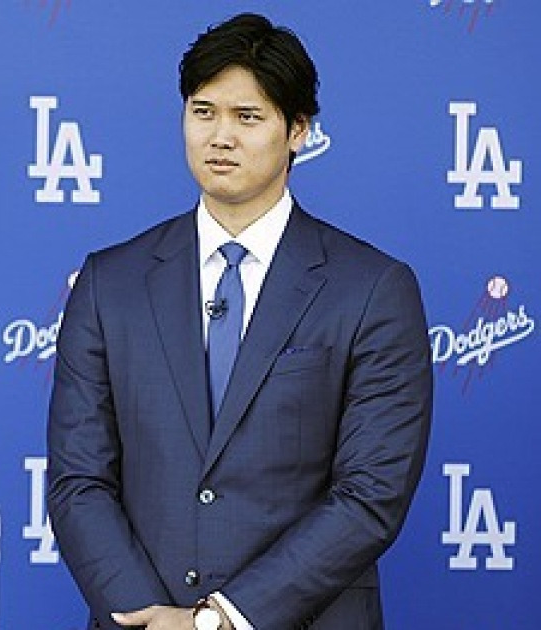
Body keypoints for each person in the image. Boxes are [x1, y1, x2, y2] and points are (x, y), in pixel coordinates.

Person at [46, 13, 433, 630]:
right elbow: (79, 480)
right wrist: (148, 617)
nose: (220, 136)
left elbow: (369, 495)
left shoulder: (372, 290)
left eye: (247, 117)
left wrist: (219, 619)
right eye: (203, 112)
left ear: (298, 130)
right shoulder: (108, 283)